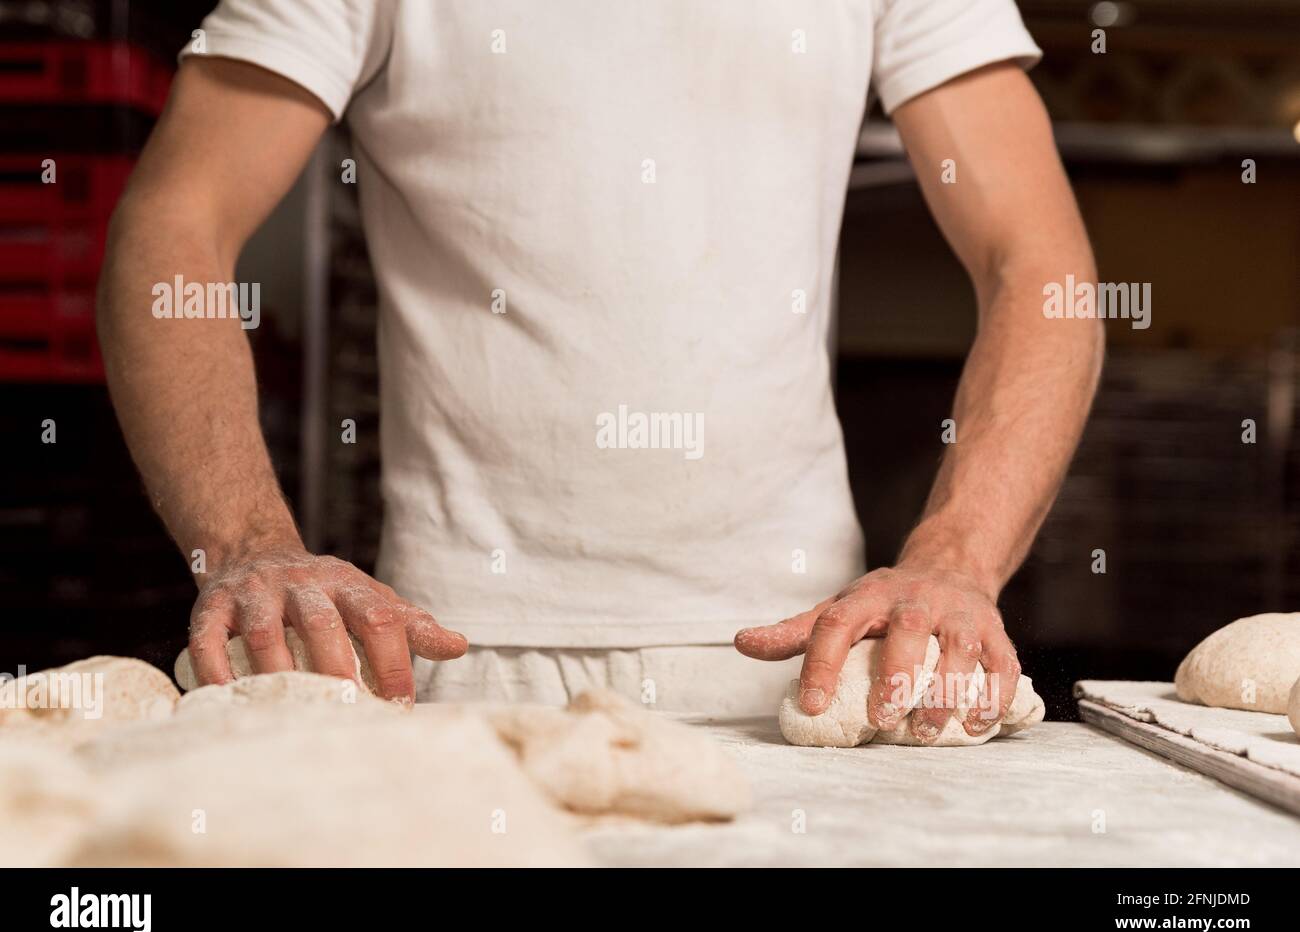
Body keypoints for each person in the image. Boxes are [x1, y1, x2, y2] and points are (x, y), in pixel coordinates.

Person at [97, 0, 1102, 738]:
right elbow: (173, 223)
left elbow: (1037, 264)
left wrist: (957, 560)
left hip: (808, 670)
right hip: (448, 667)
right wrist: (242, 544)